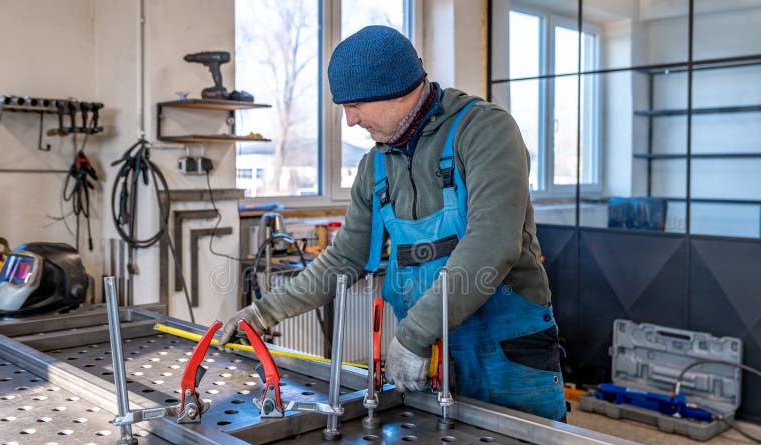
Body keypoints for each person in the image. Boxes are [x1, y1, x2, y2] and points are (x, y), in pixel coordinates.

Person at [220, 25, 566, 421]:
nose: (350, 121)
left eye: (355, 106)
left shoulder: (485, 132)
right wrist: (263, 313)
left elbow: (491, 245)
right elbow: (343, 260)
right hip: (432, 359)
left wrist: (415, 333)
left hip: (507, 352)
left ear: (395, 90)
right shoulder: (376, 165)